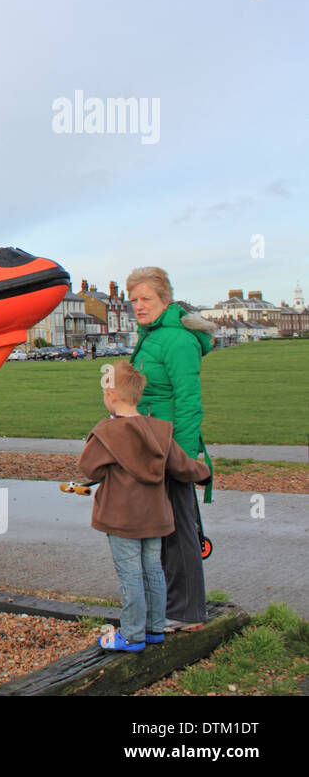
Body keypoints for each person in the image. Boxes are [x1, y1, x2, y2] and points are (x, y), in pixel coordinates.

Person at [77, 361, 212, 651]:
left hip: (121, 518)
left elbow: (89, 469)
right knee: (153, 571)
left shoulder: (107, 434)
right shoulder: (160, 432)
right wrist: (205, 473)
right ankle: (153, 628)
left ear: (111, 396)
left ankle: (132, 634)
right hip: (155, 517)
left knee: (130, 575)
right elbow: (182, 466)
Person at [126, 266, 217, 626]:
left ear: (165, 298)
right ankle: (167, 606)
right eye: (133, 299)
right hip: (151, 444)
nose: (138, 305)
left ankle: (187, 612)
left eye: (145, 298)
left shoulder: (176, 340)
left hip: (169, 447)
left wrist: (181, 455)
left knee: (179, 531)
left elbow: (189, 401)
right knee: (162, 529)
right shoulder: (150, 335)